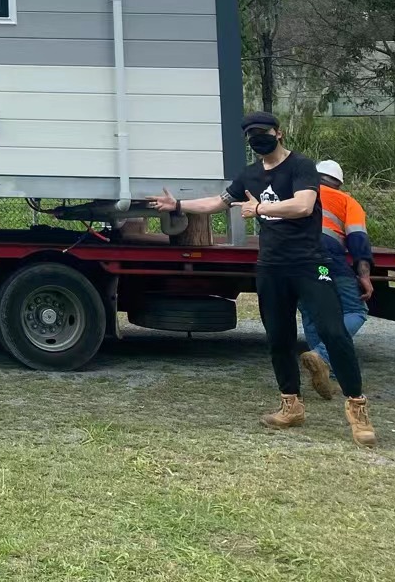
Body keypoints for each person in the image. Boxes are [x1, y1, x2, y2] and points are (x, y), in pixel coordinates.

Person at [153, 112, 376, 447]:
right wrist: (179, 204)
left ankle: (357, 409)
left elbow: (303, 206)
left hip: (310, 264)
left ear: (278, 133)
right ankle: (291, 406)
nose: (257, 138)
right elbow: (218, 201)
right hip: (271, 267)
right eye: (250, 135)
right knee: (278, 338)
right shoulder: (250, 175)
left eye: (262, 132)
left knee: (333, 331)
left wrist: (258, 209)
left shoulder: (301, 166)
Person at [298, 159, 373, 400]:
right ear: (338, 183)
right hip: (329, 260)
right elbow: (358, 239)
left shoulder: (297, 193)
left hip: (297, 260)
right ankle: (322, 354)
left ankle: (325, 372)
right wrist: (364, 275)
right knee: (356, 311)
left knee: (311, 312)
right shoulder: (347, 201)